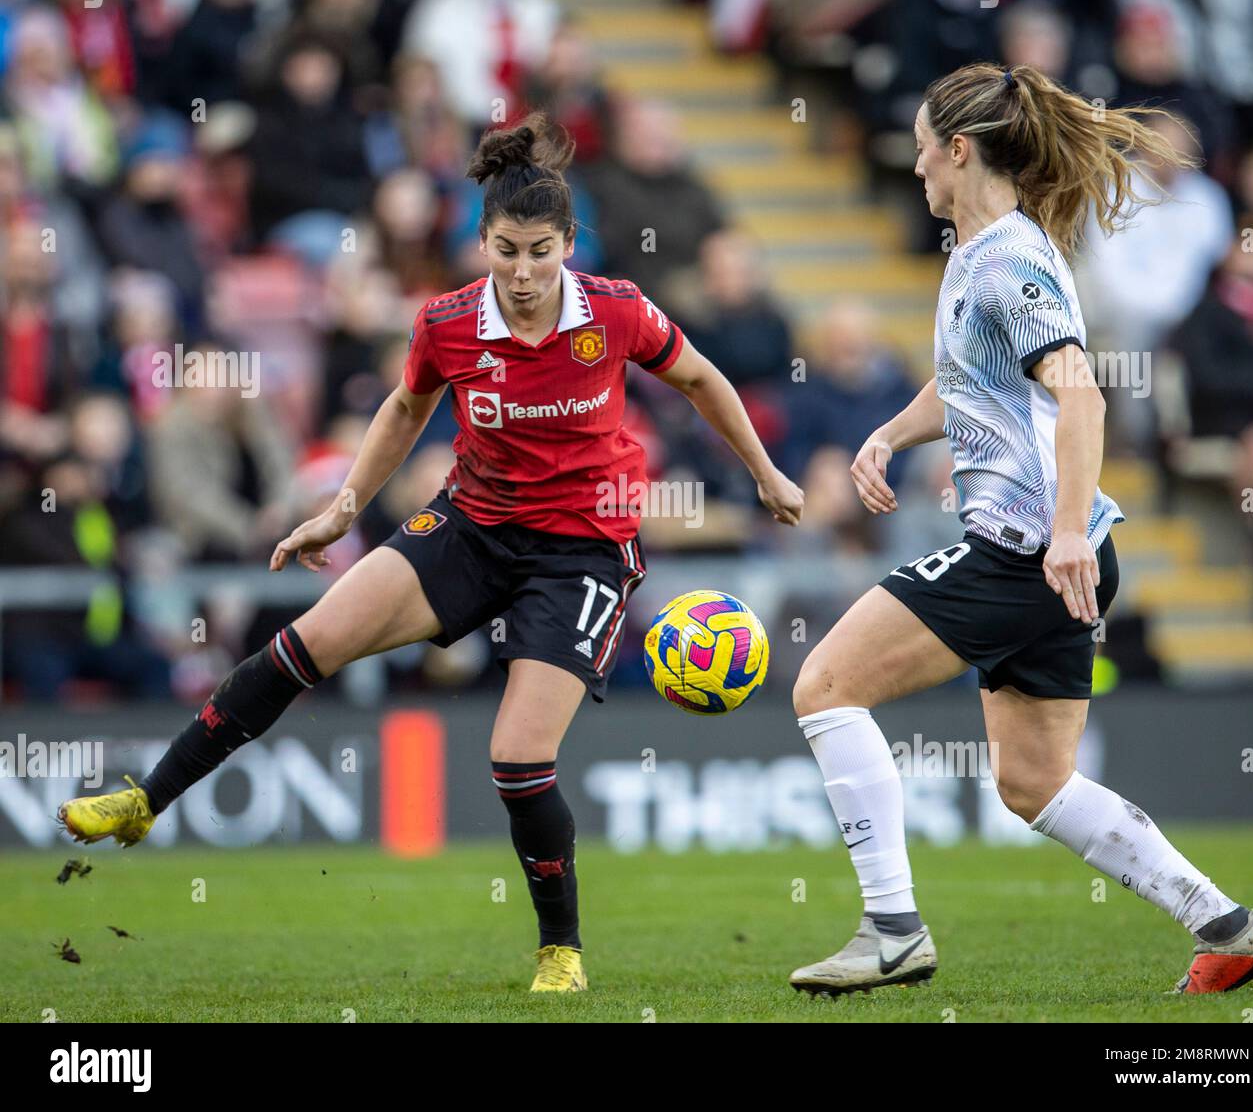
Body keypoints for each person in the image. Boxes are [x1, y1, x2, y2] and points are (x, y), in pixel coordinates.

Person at [56, 115, 804, 993]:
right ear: (480, 241)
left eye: (539, 252)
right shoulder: (449, 323)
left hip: (583, 552)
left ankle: (560, 948)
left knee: (518, 761)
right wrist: (344, 508)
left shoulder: (616, 310)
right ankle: (147, 798)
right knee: (304, 645)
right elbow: (406, 410)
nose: (522, 274)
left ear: (569, 243)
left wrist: (764, 472)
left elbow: (702, 379)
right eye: (505, 251)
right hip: (471, 528)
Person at [787, 63, 1253, 998]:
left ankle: (892, 927)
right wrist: (890, 434)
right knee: (1035, 782)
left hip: (1024, 551)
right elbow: (975, 378)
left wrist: (1058, 534)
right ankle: (1225, 923)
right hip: (1067, 551)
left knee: (824, 685)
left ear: (960, 149)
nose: (918, 161)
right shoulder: (984, 251)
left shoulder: (1008, 257)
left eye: (926, 143)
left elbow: (1080, 392)